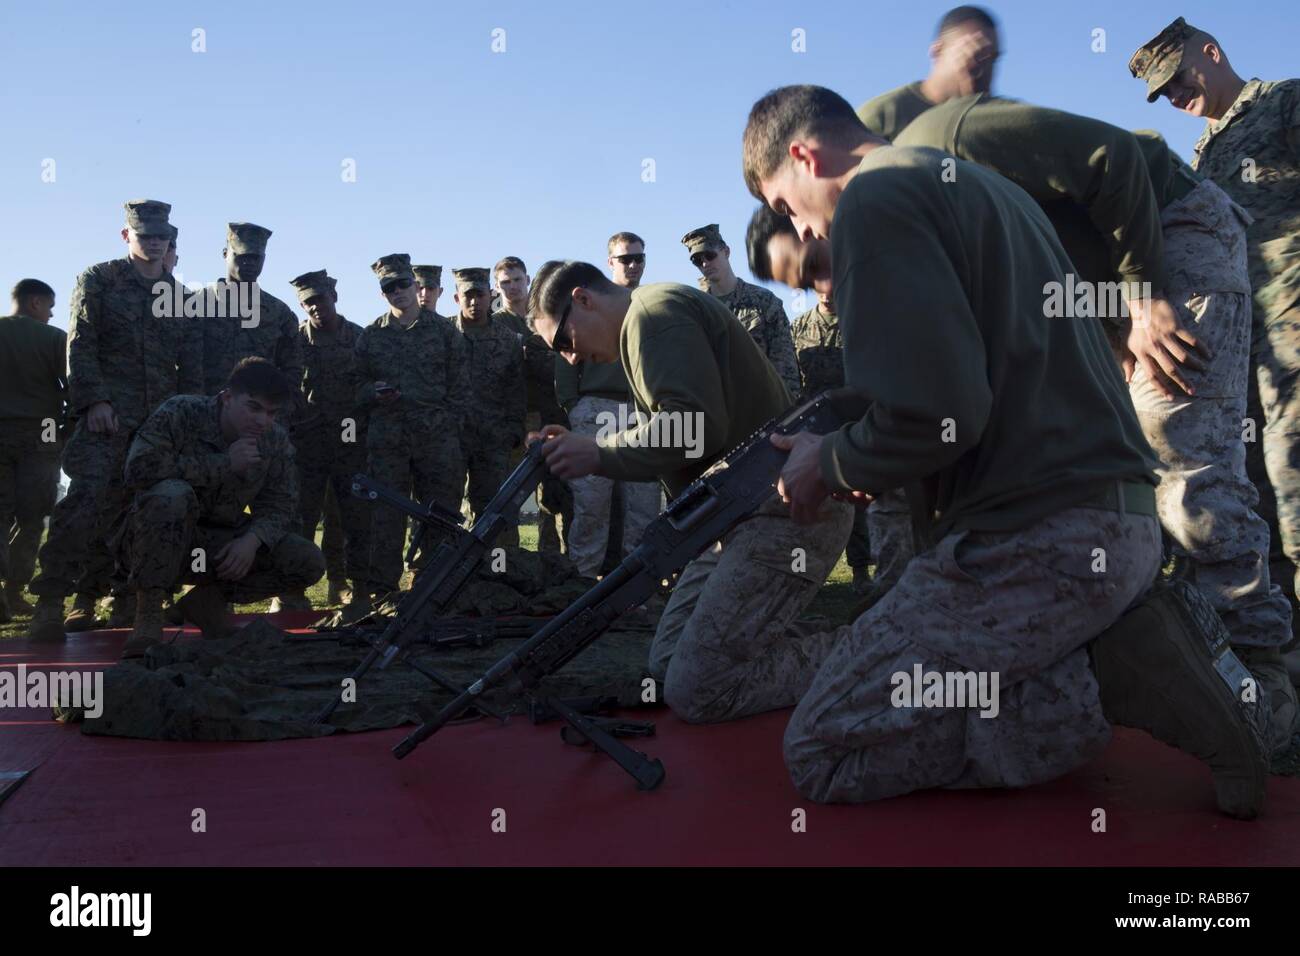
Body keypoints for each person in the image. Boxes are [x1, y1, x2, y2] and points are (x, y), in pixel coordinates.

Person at [742, 84, 1266, 817]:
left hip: (1036, 544)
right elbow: (960, 399)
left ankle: (1094, 681)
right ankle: (1102, 655)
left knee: (823, 751)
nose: (803, 230)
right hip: (1110, 528)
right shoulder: (974, 186)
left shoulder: (875, 199)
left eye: (786, 206)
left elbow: (935, 415)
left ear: (803, 155)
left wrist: (825, 465)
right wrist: (859, 452)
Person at [530, 260, 853, 724]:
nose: (570, 359)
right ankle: (795, 636)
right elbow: (681, 430)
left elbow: (691, 430)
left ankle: (880, 650)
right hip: (739, 517)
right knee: (668, 663)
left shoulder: (652, 314)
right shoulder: (649, 318)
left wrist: (599, 453)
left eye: (563, 341)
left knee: (699, 688)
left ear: (583, 299)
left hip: (779, 511)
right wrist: (585, 445)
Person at [1131, 17, 1300, 684]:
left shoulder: (1286, 103)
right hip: (1234, 350)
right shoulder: (1200, 158)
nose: (1174, 97)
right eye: (1162, 93)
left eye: (1178, 81)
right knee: (1245, 493)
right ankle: (1278, 657)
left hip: (1291, 328)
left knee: (1295, 487)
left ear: (1212, 51)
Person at [28, 200, 202, 642]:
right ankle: (51, 601)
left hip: (157, 426)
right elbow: (81, 345)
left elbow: (190, 366)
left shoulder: (180, 297)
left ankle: (126, 599)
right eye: (145, 235)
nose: (154, 241)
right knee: (83, 505)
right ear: (127, 236)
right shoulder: (99, 280)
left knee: (141, 511)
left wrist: (187, 422)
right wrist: (94, 402)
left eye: (161, 235)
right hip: (105, 419)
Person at [115, 358, 324, 657]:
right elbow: (137, 470)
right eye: (253, 407)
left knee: (307, 560)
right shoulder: (182, 412)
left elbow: (281, 505)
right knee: (171, 495)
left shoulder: (273, 440)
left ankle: (207, 601)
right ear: (227, 398)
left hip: (220, 546)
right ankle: (148, 615)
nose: (262, 421)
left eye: (271, 413)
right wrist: (224, 463)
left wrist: (252, 541)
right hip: (151, 541)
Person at [354, 254, 468, 603]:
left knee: (439, 513)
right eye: (389, 287)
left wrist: (447, 427)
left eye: (403, 284)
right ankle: (382, 591)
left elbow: (461, 388)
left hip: (436, 439)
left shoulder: (445, 332)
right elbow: (355, 387)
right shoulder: (372, 335)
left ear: (416, 287)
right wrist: (371, 392)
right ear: (382, 293)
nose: (397, 292)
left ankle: (434, 588)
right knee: (386, 516)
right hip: (388, 440)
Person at [280, 270, 371, 622]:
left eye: (321, 299)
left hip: (350, 444)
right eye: (308, 303)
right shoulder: (295, 344)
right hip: (308, 444)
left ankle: (355, 586)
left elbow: (370, 384)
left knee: (355, 518)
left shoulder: (361, 339)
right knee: (301, 517)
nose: (316, 307)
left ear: (335, 295)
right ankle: (291, 590)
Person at [493, 256, 571, 554]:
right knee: (521, 494)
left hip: (554, 414)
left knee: (559, 492)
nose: (512, 287)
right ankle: (520, 561)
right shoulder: (495, 324)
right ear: (496, 287)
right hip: (516, 419)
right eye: (505, 283)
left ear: (528, 280)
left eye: (517, 280)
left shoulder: (546, 316)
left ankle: (560, 559)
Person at [0, 279, 66, 621]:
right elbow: (73, 386)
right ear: (36, 303)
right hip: (41, 435)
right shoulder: (54, 339)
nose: (51, 315)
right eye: (50, 308)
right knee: (31, 518)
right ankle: (14, 591)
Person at [450, 267, 527, 544]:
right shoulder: (443, 335)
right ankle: (435, 574)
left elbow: (516, 391)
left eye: (480, 295)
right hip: (450, 439)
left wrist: (513, 431)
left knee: (497, 512)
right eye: (467, 295)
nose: (474, 302)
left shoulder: (507, 340)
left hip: (493, 440)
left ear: (490, 296)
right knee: (445, 509)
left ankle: (502, 572)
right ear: (457, 298)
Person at [681, 223, 801, 397]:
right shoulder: (696, 309)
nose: (705, 263)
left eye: (710, 255)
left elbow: (785, 366)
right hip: (717, 409)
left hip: (762, 406)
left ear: (726, 252)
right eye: (697, 260)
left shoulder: (764, 302)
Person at [856, 4, 1000, 141]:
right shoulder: (883, 115)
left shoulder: (994, 122)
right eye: (975, 53)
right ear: (937, 51)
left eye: (992, 58)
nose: (984, 67)